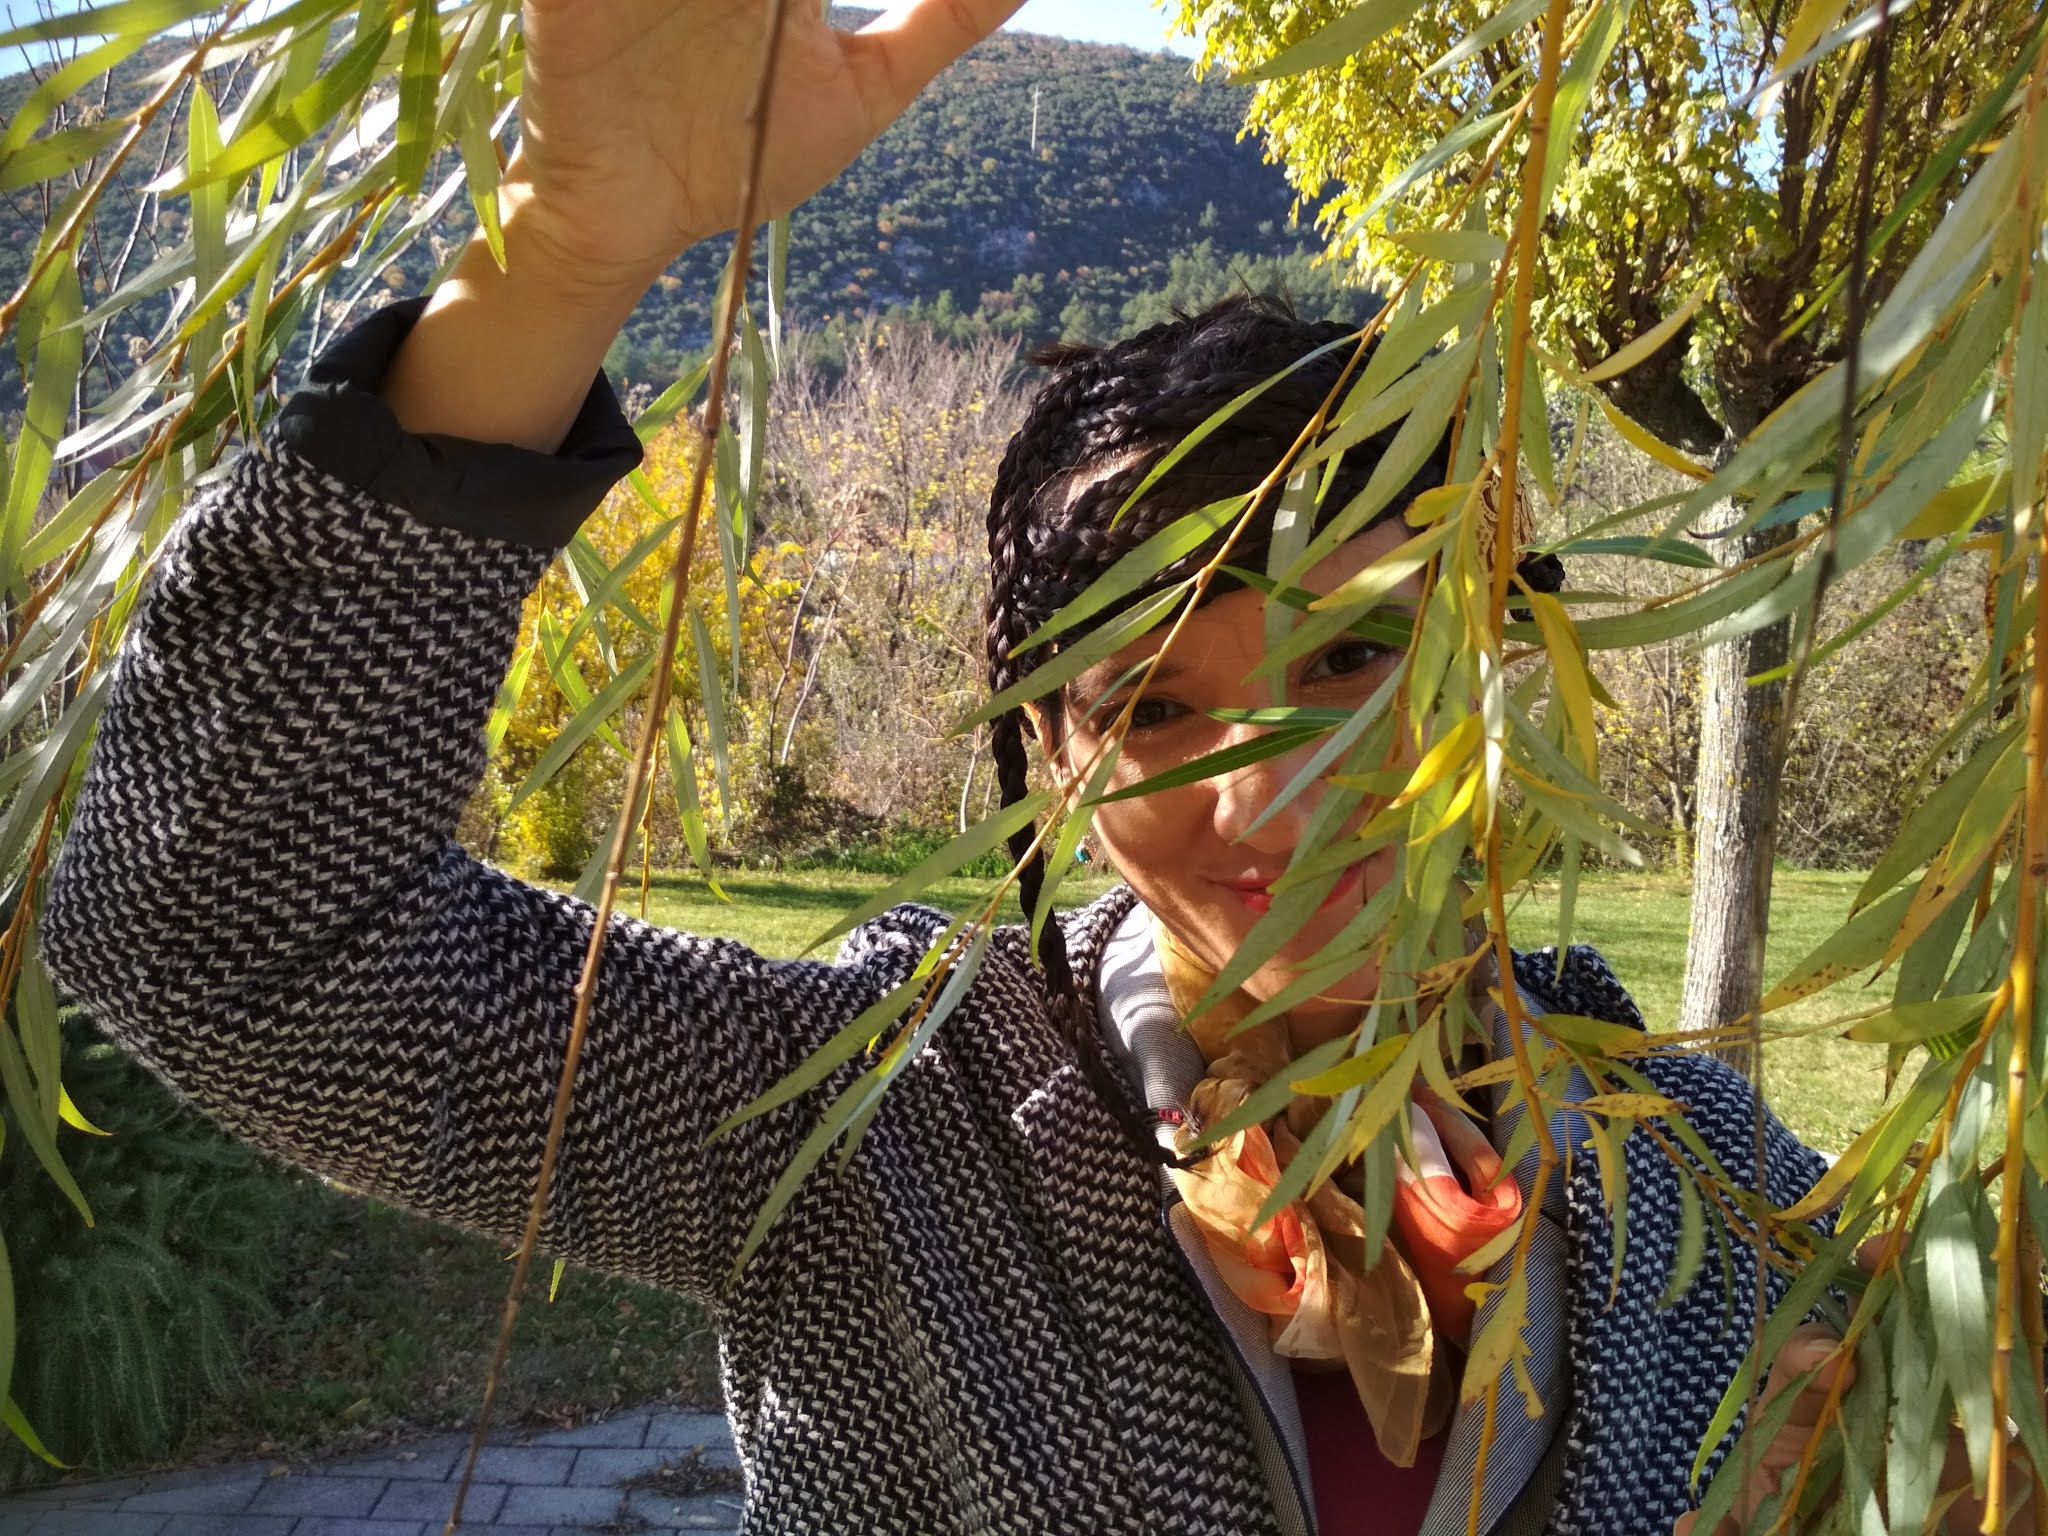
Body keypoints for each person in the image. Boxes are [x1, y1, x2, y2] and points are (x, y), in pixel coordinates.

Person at [33, 2, 1983, 1533]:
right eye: (1148, 708)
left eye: (1361, 661)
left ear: (1509, 673)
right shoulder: (860, 1133)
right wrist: (567, 254)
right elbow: (215, 938)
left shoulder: (1721, 1196)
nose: (1265, 795)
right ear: (1037, 753)